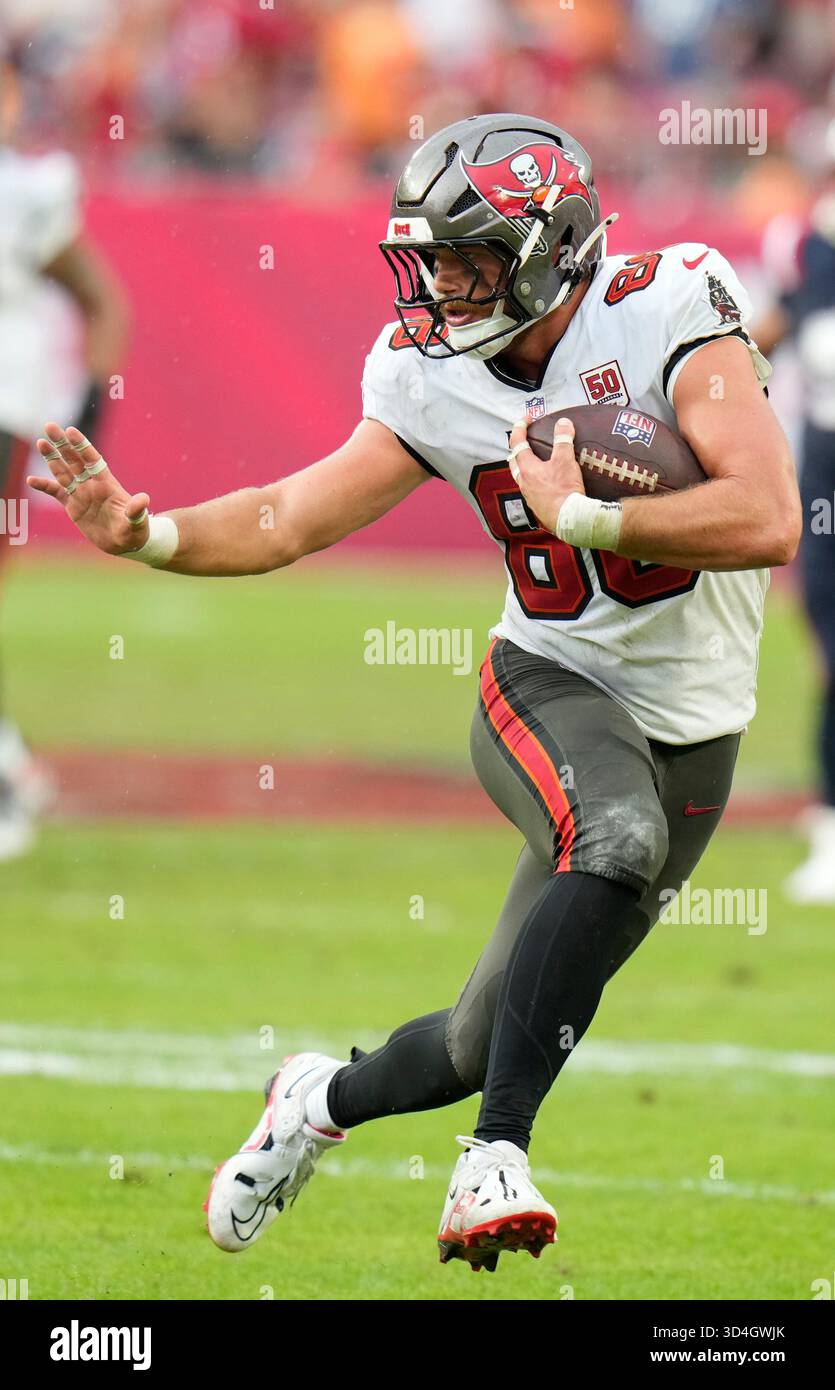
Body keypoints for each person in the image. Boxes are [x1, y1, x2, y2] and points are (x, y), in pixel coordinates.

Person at [29, 114, 800, 1274]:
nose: (440, 285)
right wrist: (152, 534)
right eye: (431, 258)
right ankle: (496, 1158)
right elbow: (293, 514)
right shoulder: (427, 375)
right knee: (616, 834)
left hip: (698, 725)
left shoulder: (671, 301)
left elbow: (768, 516)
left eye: (468, 258)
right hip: (548, 678)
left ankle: (314, 1100)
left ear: (547, 251)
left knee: (475, 1038)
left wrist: (591, 516)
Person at [0, 53, 129, 858]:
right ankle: (11, 766)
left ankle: (7, 783)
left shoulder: (22, 189)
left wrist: (90, 406)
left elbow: (104, 299)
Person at [754, 151, 835, 905]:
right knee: (829, 652)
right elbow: (762, 342)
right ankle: (831, 828)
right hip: (824, 475)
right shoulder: (807, 248)